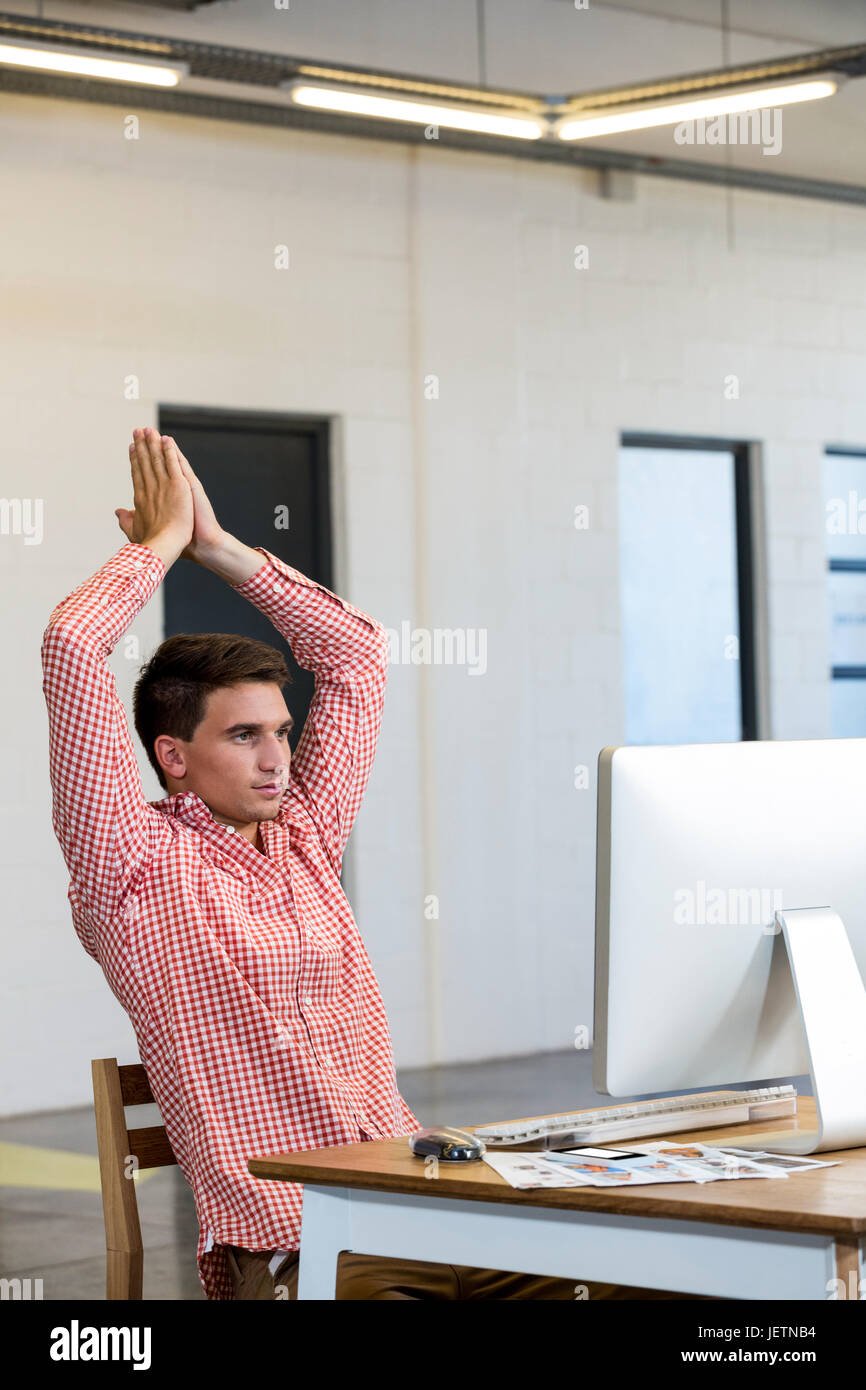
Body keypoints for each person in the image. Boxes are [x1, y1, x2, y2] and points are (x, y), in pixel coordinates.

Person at [41, 427, 712, 1301]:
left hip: (426, 1203)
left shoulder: (306, 837)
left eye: (282, 731)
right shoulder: (128, 864)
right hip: (303, 1246)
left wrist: (221, 548)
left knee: (686, 1286)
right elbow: (70, 648)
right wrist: (161, 550)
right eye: (244, 735)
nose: (276, 756)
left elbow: (354, 654)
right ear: (172, 755)